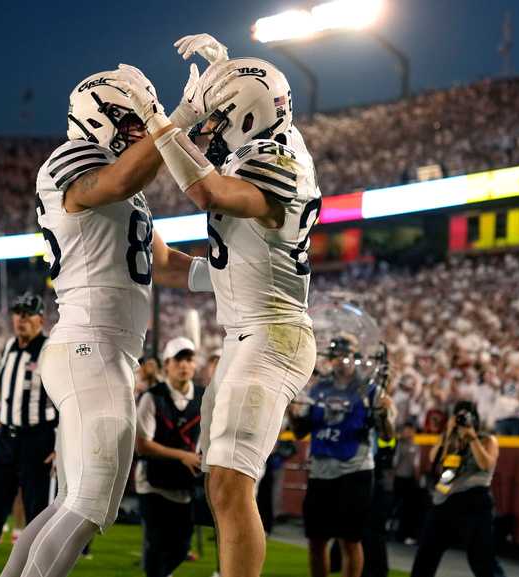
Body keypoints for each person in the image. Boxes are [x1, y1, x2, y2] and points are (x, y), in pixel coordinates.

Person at [115, 34, 322, 577]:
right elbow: (197, 268)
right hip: (248, 327)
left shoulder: (281, 163)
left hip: (273, 335)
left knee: (231, 483)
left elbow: (209, 193)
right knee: (220, 482)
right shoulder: (263, 147)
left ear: (246, 118)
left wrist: (162, 119)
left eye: (215, 120)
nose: (206, 132)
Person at [1, 61, 215, 577]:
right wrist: (178, 117)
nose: (142, 126)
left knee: (71, 502)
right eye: (132, 116)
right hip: (87, 346)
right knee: (90, 504)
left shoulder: (127, 185)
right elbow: (117, 179)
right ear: (98, 118)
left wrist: (231, 275)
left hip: (106, 351)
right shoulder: (70, 162)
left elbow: (161, 261)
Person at [0, 293, 57, 577]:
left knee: (37, 518)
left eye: (28, 314)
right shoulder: (8, 347)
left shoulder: (51, 350)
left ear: (41, 319)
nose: (21, 319)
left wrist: (61, 443)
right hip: (6, 439)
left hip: (37, 441)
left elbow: (68, 399)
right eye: (18, 313)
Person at [289, 336, 394, 577]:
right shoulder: (318, 388)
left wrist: (384, 414)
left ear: (357, 358)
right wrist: (292, 413)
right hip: (320, 471)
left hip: (354, 471)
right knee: (316, 541)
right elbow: (300, 431)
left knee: (350, 540)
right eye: (337, 355)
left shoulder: (369, 389)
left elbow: (387, 435)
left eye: (347, 355)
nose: (342, 360)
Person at [135, 336, 203, 577]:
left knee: (181, 547)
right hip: (152, 483)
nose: (184, 365)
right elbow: (142, 445)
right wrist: (183, 456)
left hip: (185, 485)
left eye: (188, 359)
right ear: (167, 364)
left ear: (195, 364)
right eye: (178, 360)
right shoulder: (152, 397)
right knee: (155, 546)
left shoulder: (205, 398)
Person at [410, 401, 500, 577]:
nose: (461, 420)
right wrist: (447, 433)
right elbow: (433, 459)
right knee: (426, 555)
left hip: (474, 500)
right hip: (444, 499)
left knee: (482, 560)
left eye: (465, 416)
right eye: (458, 416)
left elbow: (486, 464)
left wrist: (472, 438)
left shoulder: (487, 439)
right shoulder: (449, 439)